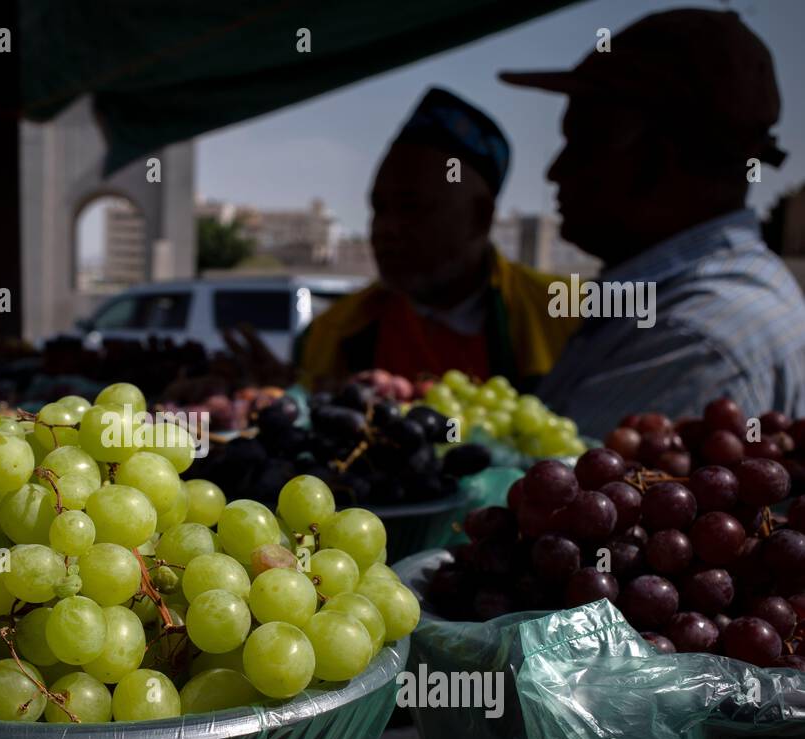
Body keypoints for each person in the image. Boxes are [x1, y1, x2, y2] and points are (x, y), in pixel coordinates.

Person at [501, 7, 805, 438]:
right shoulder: (674, 304)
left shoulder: (696, 341)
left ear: (660, 157)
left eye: (582, 143)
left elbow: (562, 499)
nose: (556, 170)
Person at [300, 87, 577, 392]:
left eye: (412, 207)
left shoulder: (573, 314)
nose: (386, 228)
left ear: (480, 216)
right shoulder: (335, 331)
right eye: (379, 207)